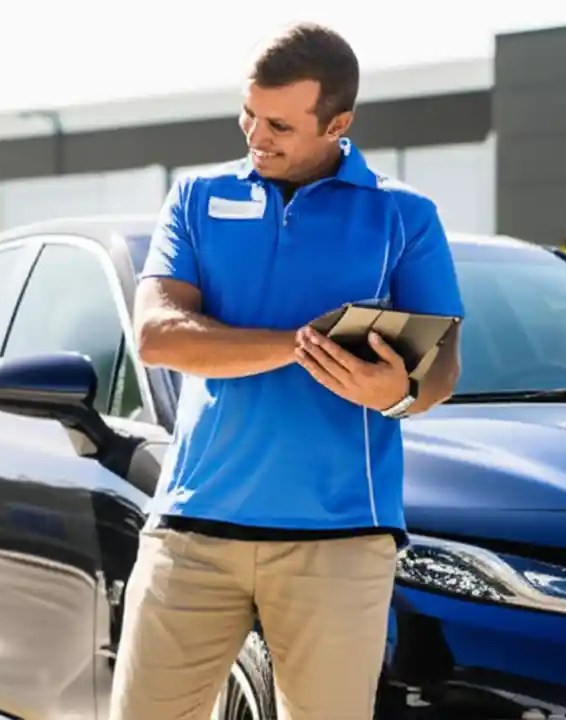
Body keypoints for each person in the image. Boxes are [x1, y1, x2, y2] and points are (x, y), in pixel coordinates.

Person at [108, 21, 465, 720]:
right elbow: (156, 336)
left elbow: (443, 366)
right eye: (247, 113)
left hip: (339, 539)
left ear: (338, 123)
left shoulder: (406, 216)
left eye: (279, 124)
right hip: (193, 527)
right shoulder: (196, 200)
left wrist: (398, 391)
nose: (255, 135)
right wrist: (301, 344)